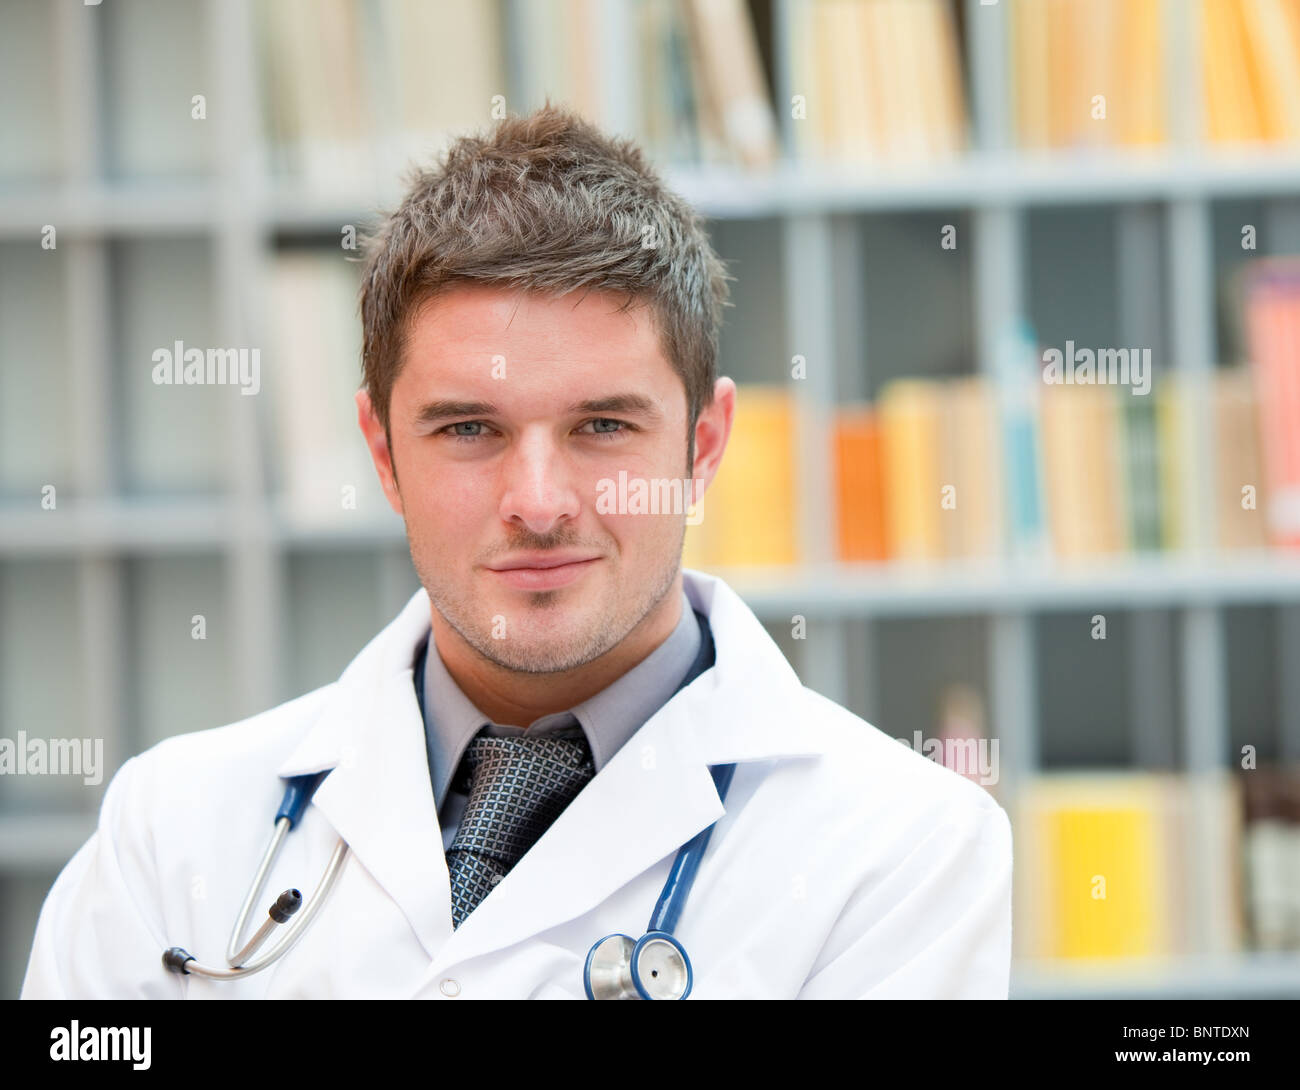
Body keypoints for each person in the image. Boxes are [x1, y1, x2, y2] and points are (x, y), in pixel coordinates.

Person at [22, 105, 1011, 999]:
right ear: (382, 452)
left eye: (601, 427)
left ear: (702, 446)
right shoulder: (173, 833)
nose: (537, 505)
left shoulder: (901, 855)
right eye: (468, 430)